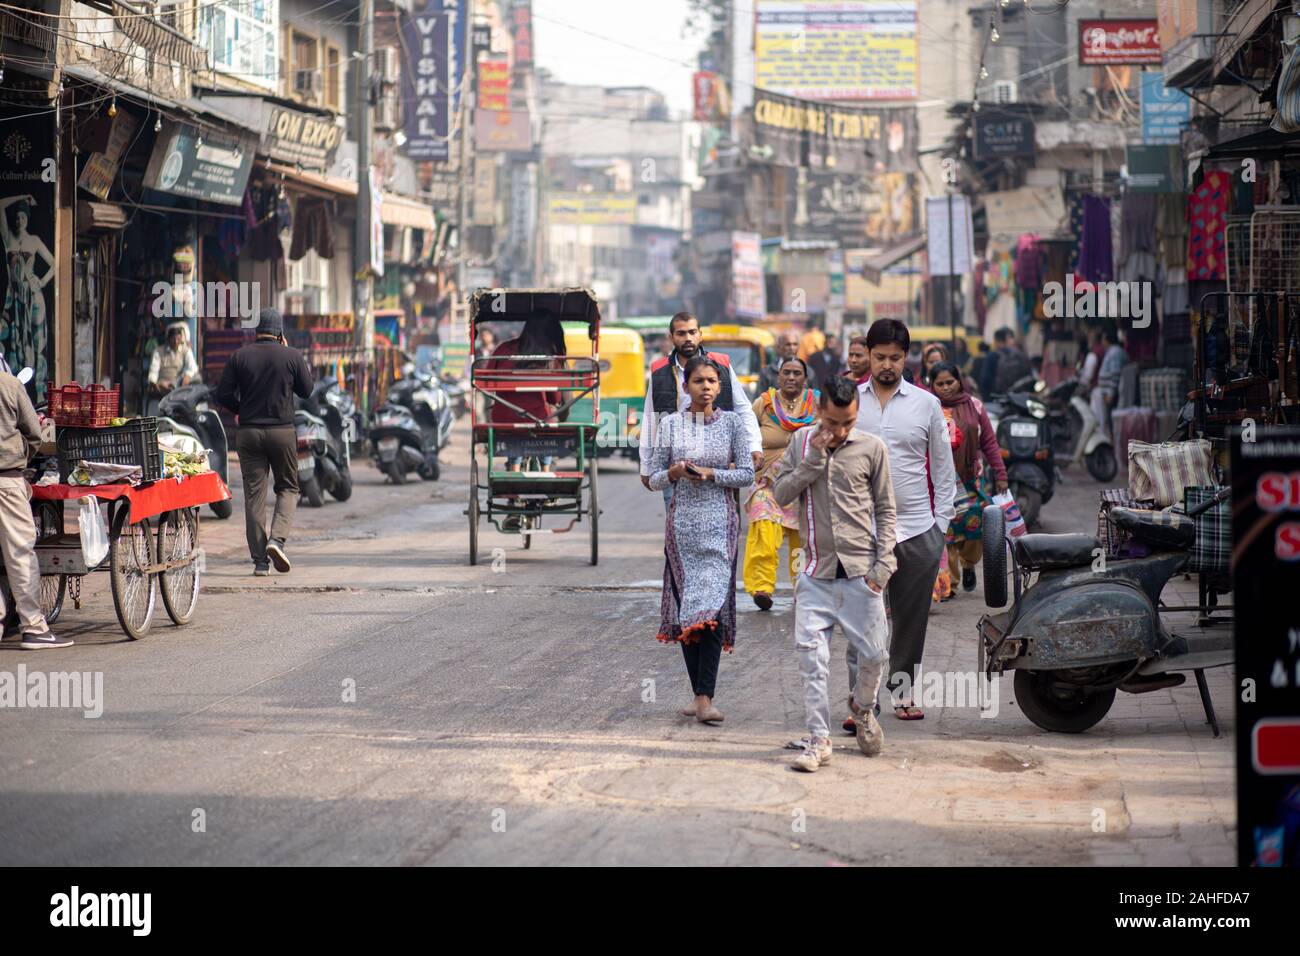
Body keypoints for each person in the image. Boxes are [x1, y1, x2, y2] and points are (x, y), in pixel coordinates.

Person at [771, 374, 897, 772]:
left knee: (875, 655)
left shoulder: (872, 448)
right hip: (815, 573)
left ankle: (862, 708)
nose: (840, 431)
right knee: (812, 659)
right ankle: (819, 739)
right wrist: (812, 462)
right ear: (819, 412)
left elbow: (886, 510)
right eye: (831, 423)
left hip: (862, 574)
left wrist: (884, 566)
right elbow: (780, 494)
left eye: (848, 423)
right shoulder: (800, 442)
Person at [850, 319, 957, 723]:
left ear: (906, 357)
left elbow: (943, 469)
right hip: (862, 530)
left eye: (895, 358)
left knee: (911, 621)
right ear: (868, 354)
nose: (887, 365)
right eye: (880, 357)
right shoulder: (851, 401)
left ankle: (902, 692)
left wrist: (940, 526)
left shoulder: (926, 404)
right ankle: (862, 701)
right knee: (863, 619)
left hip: (917, 529)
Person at [647, 354, 755, 725]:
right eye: (698, 381)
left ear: (720, 387)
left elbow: (747, 474)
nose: (705, 387)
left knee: (711, 608)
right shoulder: (671, 425)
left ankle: (706, 697)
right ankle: (698, 696)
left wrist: (711, 474)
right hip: (682, 531)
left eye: (711, 381)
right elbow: (653, 479)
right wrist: (675, 472)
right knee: (688, 611)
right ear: (686, 386)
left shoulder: (733, 424)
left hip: (720, 528)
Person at [215, 308, 314, 577]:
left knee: (254, 496)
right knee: (288, 487)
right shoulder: (291, 356)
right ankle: (277, 540)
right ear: (280, 333)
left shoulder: (239, 356)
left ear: (256, 331)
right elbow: (307, 390)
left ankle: (260, 562)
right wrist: (289, 355)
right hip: (282, 432)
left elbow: (221, 394)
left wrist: (241, 408)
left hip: (248, 432)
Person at [639, 312, 762, 510]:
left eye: (692, 332)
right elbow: (650, 418)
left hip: (719, 461)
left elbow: (743, 408)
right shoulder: (659, 371)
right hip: (676, 464)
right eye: (681, 333)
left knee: (726, 516)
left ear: (700, 334)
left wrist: (754, 445)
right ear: (671, 337)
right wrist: (646, 465)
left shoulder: (721, 365)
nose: (687, 338)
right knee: (676, 517)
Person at [743, 356, 819, 611]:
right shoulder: (763, 403)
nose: (791, 377)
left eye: (797, 373)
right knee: (763, 530)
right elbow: (746, 434)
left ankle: (803, 588)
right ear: (778, 376)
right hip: (768, 484)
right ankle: (761, 587)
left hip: (805, 485)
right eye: (786, 372)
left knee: (803, 541)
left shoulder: (817, 404)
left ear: (805, 378)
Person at [0, 366, 67, 648]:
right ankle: (34, 627)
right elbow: (34, 432)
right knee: (20, 555)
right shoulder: (10, 385)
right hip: (6, 481)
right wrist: (21, 456)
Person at [930, 362, 1008, 595]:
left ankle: (969, 563)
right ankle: (950, 583)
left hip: (972, 478)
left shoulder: (975, 406)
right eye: (940, 384)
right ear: (932, 385)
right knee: (948, 529)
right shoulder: (929, 406)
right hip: (942, 479)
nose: (945, 388)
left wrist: (1001, 474)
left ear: (959, 381)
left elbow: (989, 443)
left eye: (950, 382)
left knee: (977, 524)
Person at [486, 314, 565, 472]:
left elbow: (487, 384)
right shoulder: (549, 356)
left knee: (515, 426)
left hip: (503, 417)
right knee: (547, 422)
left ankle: (514, 467)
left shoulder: (504, 349)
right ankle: (546, 469)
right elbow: (554, 398)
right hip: (538, 418)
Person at [0, 195, 54, 389]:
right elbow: (0, 204)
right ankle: (12, 391)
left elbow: (54, 263)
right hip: (13, 298)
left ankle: (38, 389)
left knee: (37, 343)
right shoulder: (8, 238)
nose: (19, 220)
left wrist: (42, 281)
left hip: (32, 296)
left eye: (23, 217)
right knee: (11, 343)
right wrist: (23, 196)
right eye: (16, 217)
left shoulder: (34, 240)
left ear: (27, 219)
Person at [147, 321, 198, 414]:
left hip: (178, 384)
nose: (175, 342)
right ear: (168, 339)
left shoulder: (186, 351)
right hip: (162, 384)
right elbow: (153, 371)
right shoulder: (158, 351)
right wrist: (155, 383)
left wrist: (187, 376)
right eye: (173, 339)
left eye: (178, 339)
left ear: (181, 339)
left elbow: (192, 367)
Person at [1094, 323, 1126, 441]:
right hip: (1107, 395)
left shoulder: (1115, 352)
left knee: (1110, 425)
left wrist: (1110, 394)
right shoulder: (1112, 352)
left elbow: (1115, 374)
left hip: (1111, 397)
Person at [991, 327, 1032, 395]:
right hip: (1022, 393)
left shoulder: (993, 355)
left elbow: (986, 379)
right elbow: (1029, 372)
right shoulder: (1021, 353)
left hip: (1002, 395)